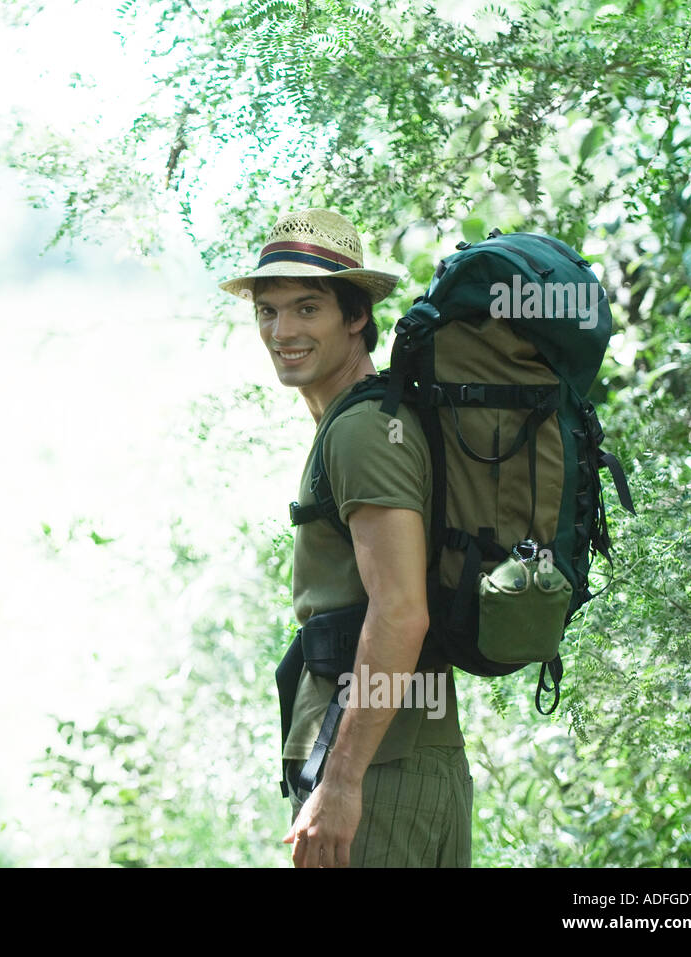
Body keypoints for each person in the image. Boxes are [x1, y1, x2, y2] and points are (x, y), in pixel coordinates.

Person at [220, 208, 470, 868]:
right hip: (407, 757)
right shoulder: (369, 417)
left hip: (380, 771)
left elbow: (401, 612)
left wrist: (341, 780)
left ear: (355, 316)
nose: (283, 330)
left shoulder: (363, 430)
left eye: (308, 308)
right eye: (268, 311)